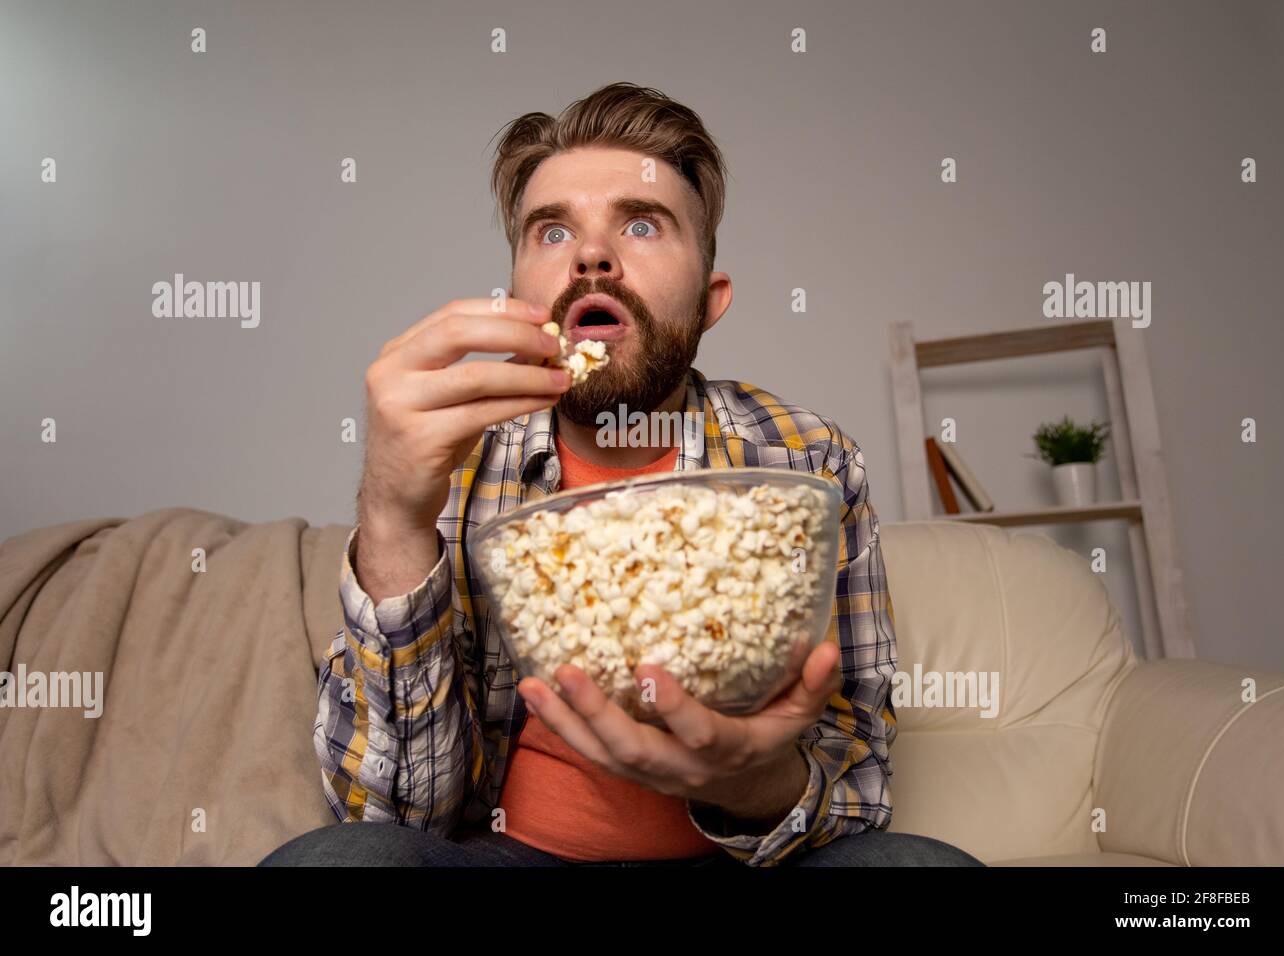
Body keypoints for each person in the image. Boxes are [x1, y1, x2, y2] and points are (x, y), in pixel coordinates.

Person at [260, 82, 982, 868]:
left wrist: (744, 777)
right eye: (551, 230)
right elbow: (393, 814)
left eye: (642, 224)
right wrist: (395, 521)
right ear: (518, 298)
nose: (591, 255)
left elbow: (861, 779)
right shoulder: (454, 465)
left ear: (710, 302)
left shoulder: (807, 459)